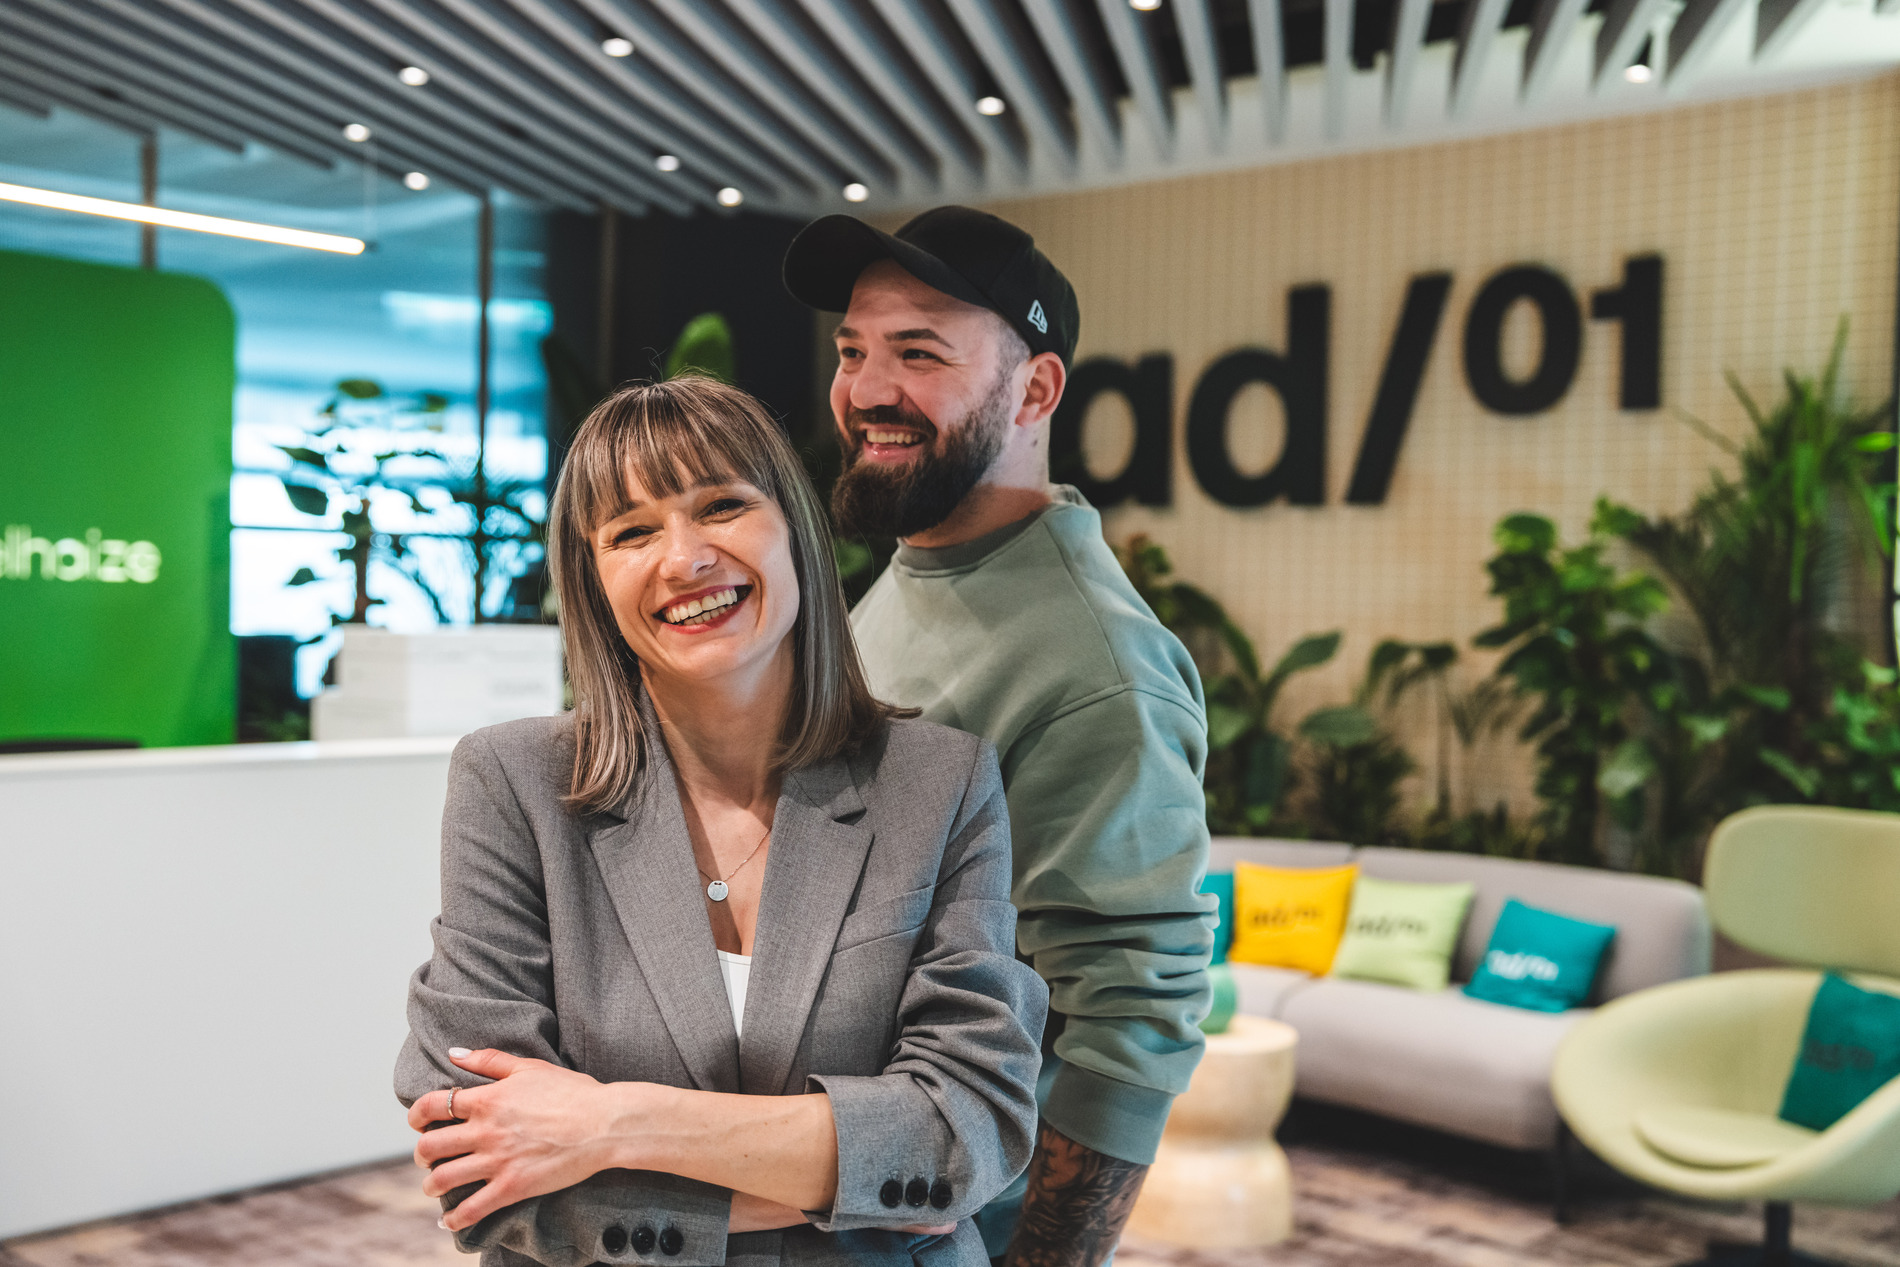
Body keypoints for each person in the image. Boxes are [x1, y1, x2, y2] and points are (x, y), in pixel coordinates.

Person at [394, 376, 1048, 1267]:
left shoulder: (940, 782)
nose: (684, 558)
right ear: (593, 580)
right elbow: (471, 1157)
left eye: (721, 506)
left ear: (795, 530)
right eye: (631, 532)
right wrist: (856, 1177)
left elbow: (964, 1133)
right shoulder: (514, 782)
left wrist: (612, 1122)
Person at [782, 207, 1214, 1267]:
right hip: (831, 1189)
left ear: (1035, 390)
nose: (866, 389)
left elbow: (1131, 1019)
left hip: (947, 1224)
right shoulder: (916, 576)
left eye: (918, 353)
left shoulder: (1096, 668)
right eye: (853, 350)